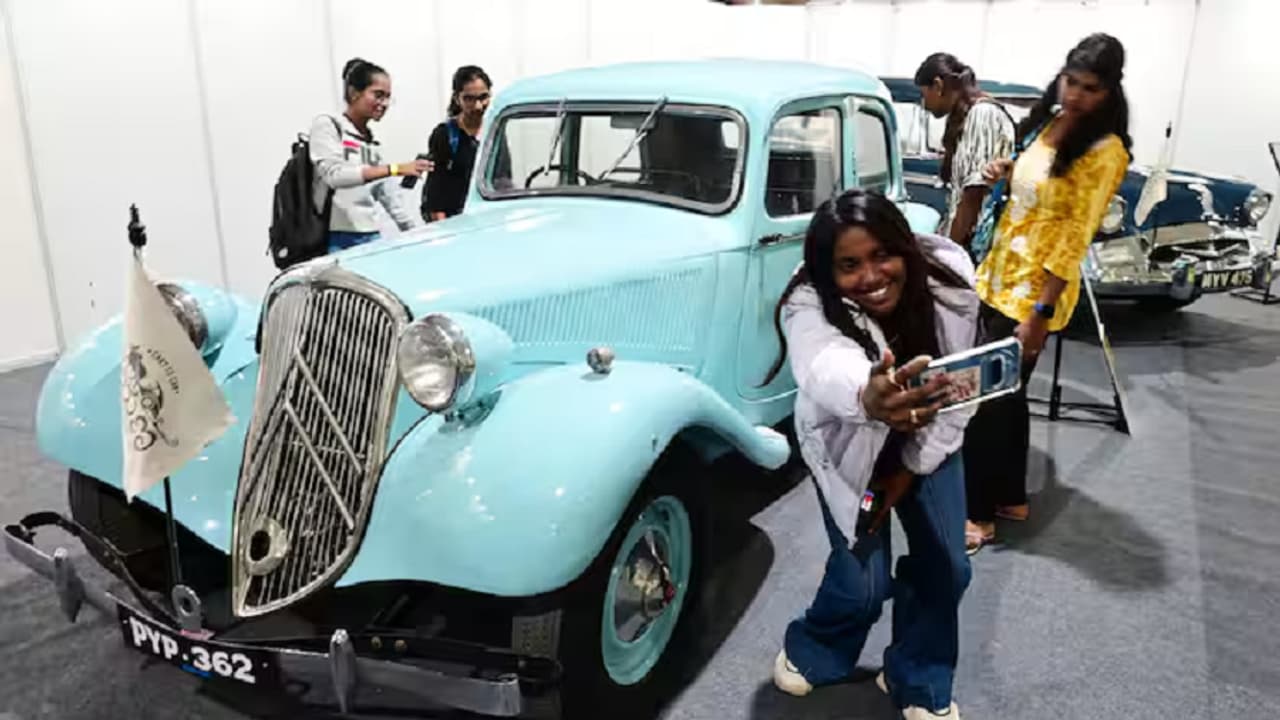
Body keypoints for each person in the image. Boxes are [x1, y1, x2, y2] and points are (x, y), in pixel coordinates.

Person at [765, 189, 981, 720]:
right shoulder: (807, 300)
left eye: (882, 254)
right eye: (849, 264)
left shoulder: (949, 280)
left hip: (931, 439)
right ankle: (818, 645)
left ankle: (919, 672)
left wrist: (909, 465)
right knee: (863, 582)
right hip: (846, 444)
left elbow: (962, 392)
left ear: (904, 247)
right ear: (826, 269)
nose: (871, 275)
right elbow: (822, 362)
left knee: (948, 567)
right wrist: (870, 395)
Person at [962, 33, 1132, 553]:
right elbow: (1035, 183)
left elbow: (1073, 238)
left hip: (1033, 292)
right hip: (995, 274)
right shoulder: (1051, 120)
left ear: (1110, 93)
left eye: (1091, 88)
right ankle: (1011, 496)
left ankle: (977, 513)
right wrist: (1005, 170)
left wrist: (1038, 313)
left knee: (986, 399)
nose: (1077, 95)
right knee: (1008, 398)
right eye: (1072, 82)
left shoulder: (1106, 153)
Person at [311, 57, 428, 254]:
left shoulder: (371, 142)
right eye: (378, 95)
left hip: (370, 234)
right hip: (333, 237)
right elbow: (334, 175)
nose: (384, 103)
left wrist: (415, 233)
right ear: (354, 93)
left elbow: (386, 194)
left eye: (388, 97)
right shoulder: (328, 125)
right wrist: (394, 169)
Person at [913, 53, 1015, 249]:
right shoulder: (964, 116)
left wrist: (952, 254)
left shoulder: (982, 114)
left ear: (938, 86)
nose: (924, 104)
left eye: (924, 94)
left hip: (978, 247)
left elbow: (973, 194)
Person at [422, 65, 493, 222]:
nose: (478, 106)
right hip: (455, 219)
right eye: (469, 99)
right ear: (457, 99)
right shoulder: (445, 134)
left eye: (483, 97)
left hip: (487, 217)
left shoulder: (494, 130)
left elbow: (503, 178)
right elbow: (436, 189)